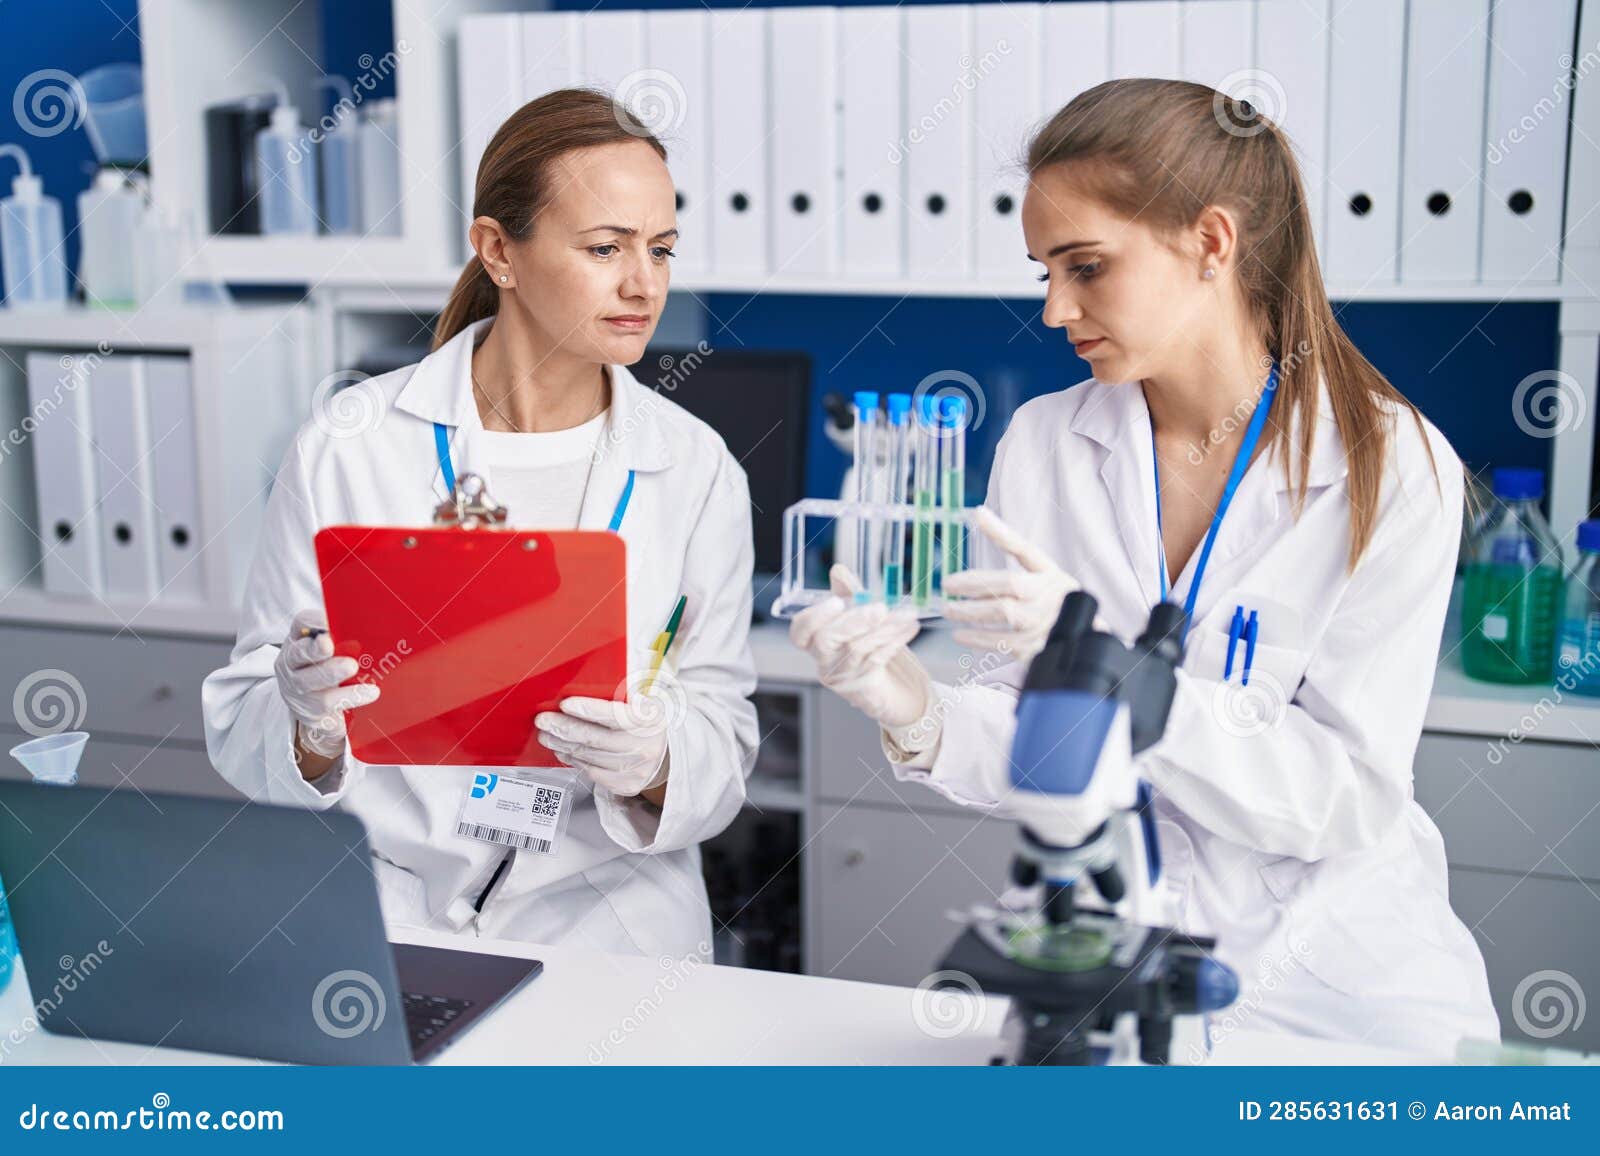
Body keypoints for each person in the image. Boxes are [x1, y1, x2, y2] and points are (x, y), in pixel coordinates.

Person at [791, 79, 1499, 1054]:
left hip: (1337, 993)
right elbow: (1042, 751)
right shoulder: (1044, 444)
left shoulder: (1392, 466)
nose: (1052, 308)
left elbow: (1341, 796)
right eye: (1044, 269)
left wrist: (1122, 675)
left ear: (1210, 242)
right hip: (1111, 963)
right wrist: (911, 701)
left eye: (1085, 266)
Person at [203, 89, 758, 961]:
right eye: (606, 248)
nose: (643, 283)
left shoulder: (694, 467)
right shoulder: (351, 443)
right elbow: (242, 728)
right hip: (385, 910)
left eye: (661, 249)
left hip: (609, 922)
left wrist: (656, 759)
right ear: (499, 250)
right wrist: (306, 721)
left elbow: (723, 745)